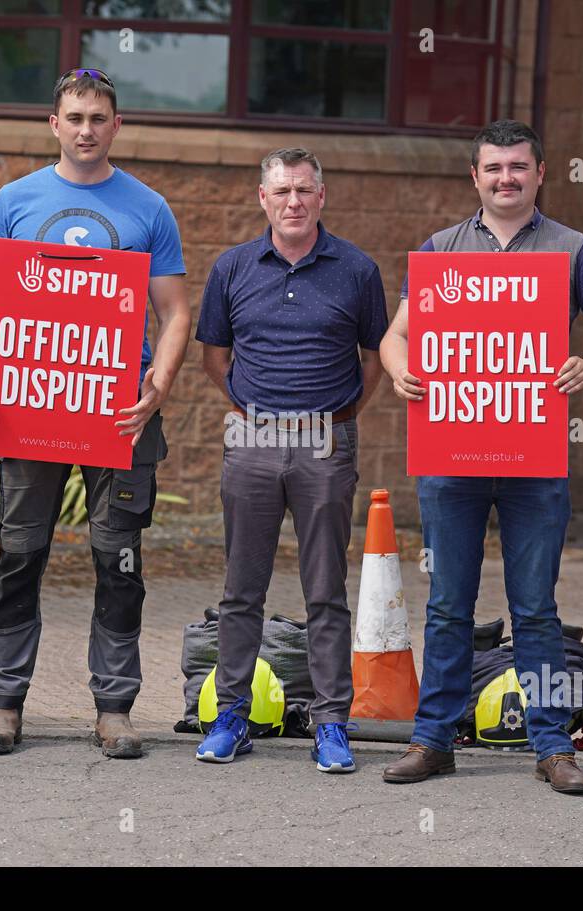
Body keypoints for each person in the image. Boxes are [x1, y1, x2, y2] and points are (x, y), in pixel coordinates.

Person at [378, 119, 583, 792]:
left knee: (536, 609)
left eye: (518, 168)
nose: (506, 178)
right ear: (475, 177)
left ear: (540, 173)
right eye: (493, 169)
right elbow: (395, 336)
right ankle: (433, 741)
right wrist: (401, 369)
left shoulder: (572, 248)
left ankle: (552, 747)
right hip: (454, 452)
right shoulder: (443, 248)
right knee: (446, 605)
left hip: (534, 456)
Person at [0, 68, 191, 758]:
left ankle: (115, 710)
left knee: (116, 559)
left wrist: (159, 382)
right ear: (53, 124)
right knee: (20, 554)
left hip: (118, 410)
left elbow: (176, 309)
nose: (86, 129)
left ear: (115, 126)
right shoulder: (14, 199)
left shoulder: (148, 207)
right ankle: (3, 705)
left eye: (98, 118)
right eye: (74, 117)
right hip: (29, 405)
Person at [193, 147, 387, 772]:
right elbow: (215, 357)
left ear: (321, 196)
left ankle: (331, 724)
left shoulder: (356, 270)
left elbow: (375, 357)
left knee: (325, 590)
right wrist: (252, 410)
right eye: (282, 192)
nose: (294, 202)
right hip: (251, 438)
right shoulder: (232, 268)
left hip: (327, 440)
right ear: (263, 198)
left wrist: (340, 415)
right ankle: (231, 717)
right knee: (240, 590)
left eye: (304, 190)